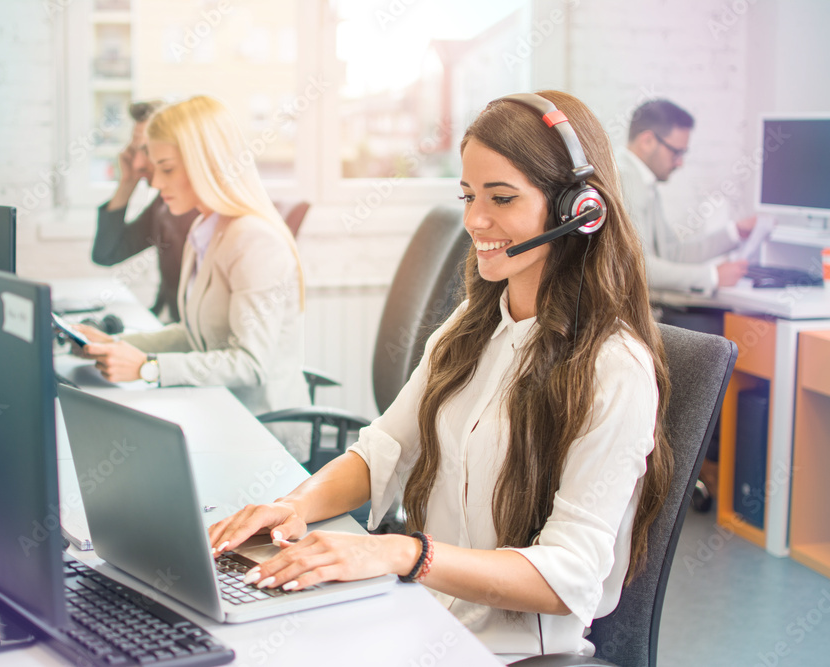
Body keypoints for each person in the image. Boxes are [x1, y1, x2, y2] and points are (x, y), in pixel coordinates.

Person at [207, 91, 674, 659]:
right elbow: (386, 449)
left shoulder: (613, 369)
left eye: (501, 198)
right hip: (419, 614)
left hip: (506, 651)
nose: (475, 221)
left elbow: (569, 575)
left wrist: (406, 554)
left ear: (580, 210)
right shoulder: (475, 323)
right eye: (468, 195)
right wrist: (297, 504)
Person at [75, 95, 311, 462]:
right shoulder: (205, 227)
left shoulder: (254, 241)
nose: (154, 181)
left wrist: (147, 367)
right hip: (217, 409)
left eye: (166, 168)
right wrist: (119, 343)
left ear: (205, 165)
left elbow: (250, 363)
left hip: (264, 433)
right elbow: (196, 334)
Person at [617, 99, 755, 296]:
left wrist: (733, 233)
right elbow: (638, 267)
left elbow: (671, 252)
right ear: (647, 141)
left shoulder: (643, 181)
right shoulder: (624, 179)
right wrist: (711, 277)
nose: (680, 163)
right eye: (676, 152)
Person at [91, 100, 200, 321]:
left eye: (146, 150)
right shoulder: (163, 204)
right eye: (134, 151)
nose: (138, 163)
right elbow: (106, 254)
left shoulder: (201, 211)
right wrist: (126, 183)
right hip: (168, 326)